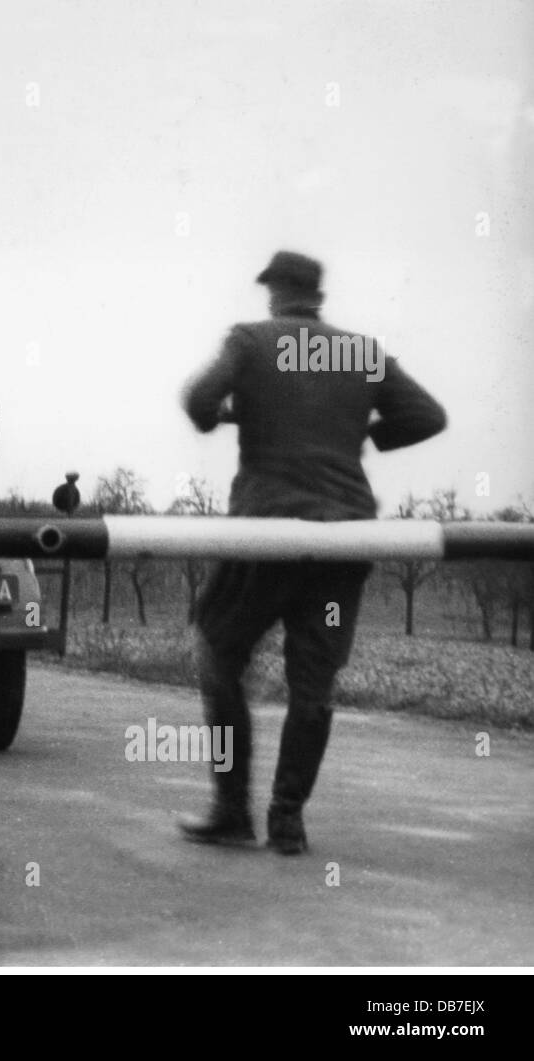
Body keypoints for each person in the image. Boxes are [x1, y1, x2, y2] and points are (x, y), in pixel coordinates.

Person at [179, 250, 447, 855]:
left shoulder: (250, 340)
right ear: (318, 296)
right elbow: (427, 416)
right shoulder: (359, 350)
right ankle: (288, 821)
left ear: (275, 292)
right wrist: (368, 434)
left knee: (218, 654)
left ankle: (231, 811)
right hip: (343, 540)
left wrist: (227, 414)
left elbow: (197, 400)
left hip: (267, 535)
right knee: (314, 682)